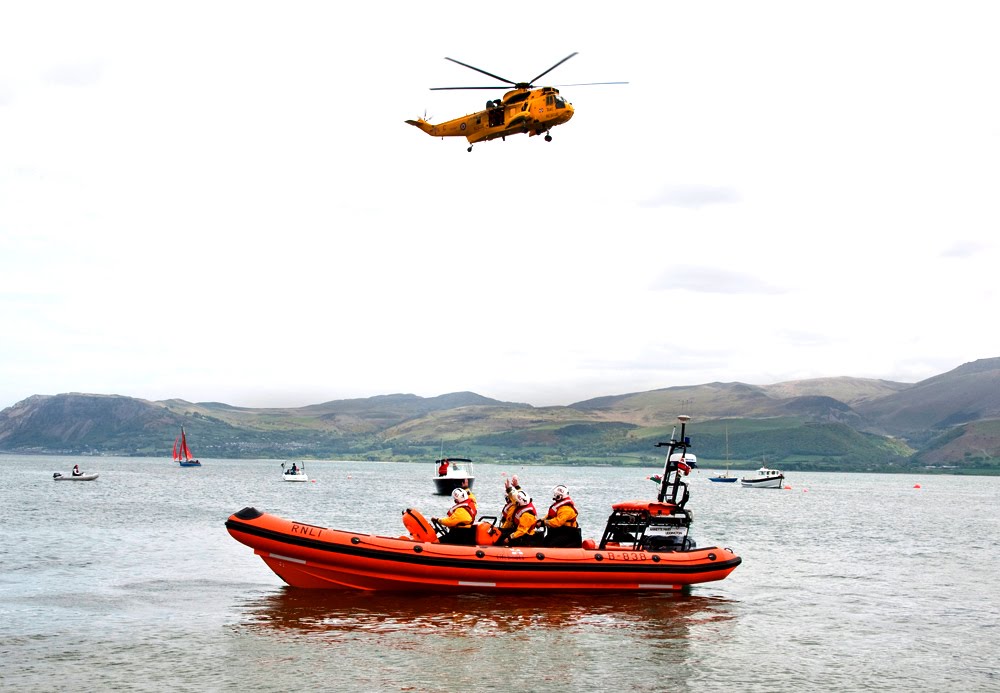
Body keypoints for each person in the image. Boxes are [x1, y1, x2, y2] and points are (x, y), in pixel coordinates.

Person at [496, 475, 522, 545]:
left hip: (510, 529)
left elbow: (508, 522)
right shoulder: (516, 503)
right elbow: (519, 494)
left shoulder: (513, 506)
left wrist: (501, 529)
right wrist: (517, 486)